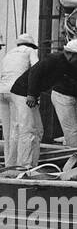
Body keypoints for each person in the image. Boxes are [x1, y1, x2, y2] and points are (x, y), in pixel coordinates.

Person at [12, 38, 77, 149]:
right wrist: (31, 94)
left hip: (25, 93)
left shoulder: (65, 64)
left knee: (36, 130)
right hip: (23, 93)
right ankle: (25, 164)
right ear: (72, 54)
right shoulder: (54, 59)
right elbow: (34, 72)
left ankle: (27, 163)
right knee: (29, 131)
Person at [1, 33, 39, 168]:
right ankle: (25, 165)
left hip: (2, 91)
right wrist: (34, 93)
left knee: (9, 131)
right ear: (31, 45)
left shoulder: (9, 54)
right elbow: (36, 70)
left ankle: (9, 164)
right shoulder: (30, 51)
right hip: (18, 91)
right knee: (26, 129)